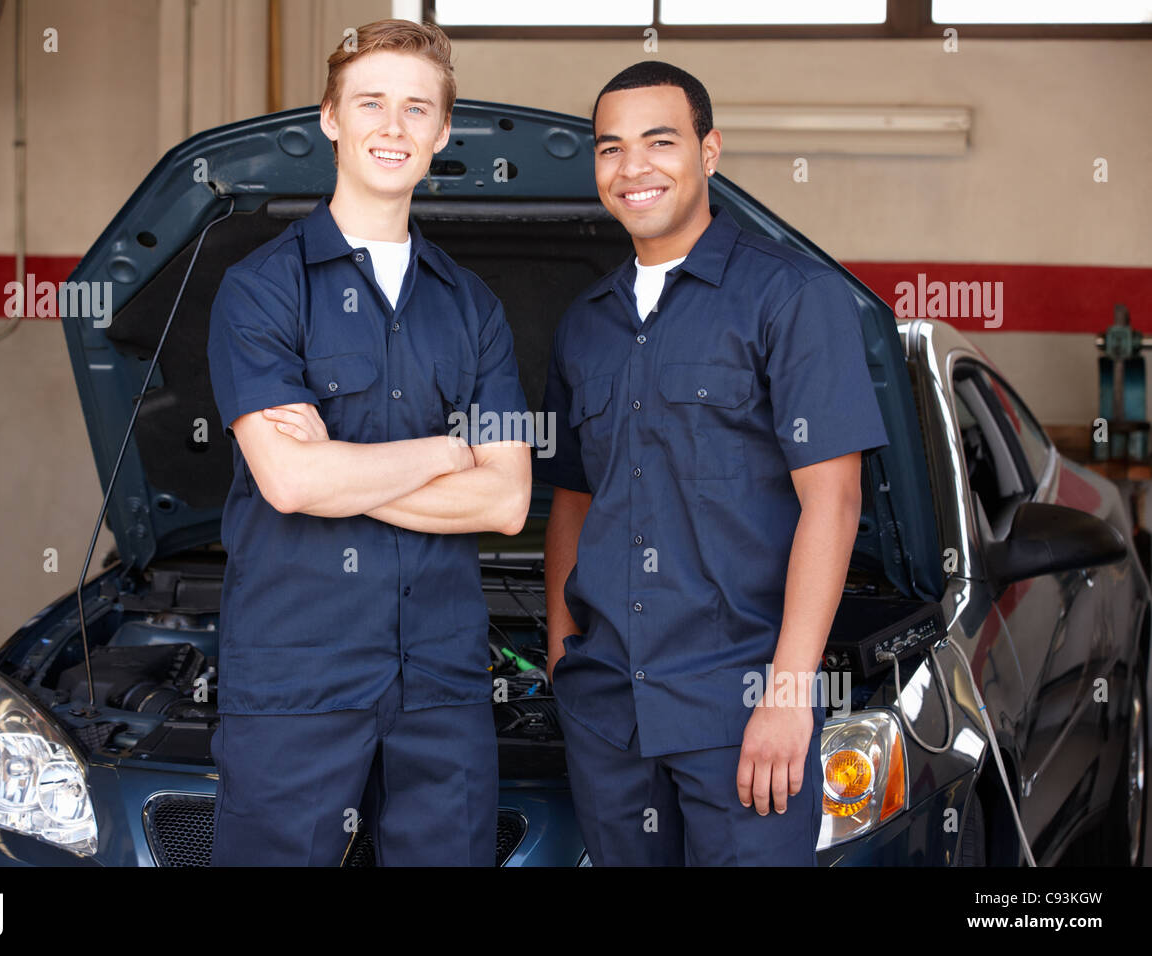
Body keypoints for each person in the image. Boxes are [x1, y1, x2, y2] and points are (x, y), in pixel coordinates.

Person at [537, 61, 889, 865]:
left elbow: (832, 502)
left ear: (710, 151)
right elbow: (573, 503)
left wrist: (789, 697)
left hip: (741, 710)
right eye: (610, 148)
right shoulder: (584, 325)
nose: (633, 168)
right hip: (609, 713)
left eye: (660, 141)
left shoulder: (792, 298)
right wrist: (564, 658)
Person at [205, 18, 531, 866]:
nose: (394, 127)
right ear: (331, 118)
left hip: (442, 685)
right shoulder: (260, 292)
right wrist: (444, 450)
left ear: (443, 132)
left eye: (417, 109)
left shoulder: (474, 307)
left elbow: (507, 501)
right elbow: (288, 484)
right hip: (294, 681)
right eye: (372, 104)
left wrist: (337, 469)